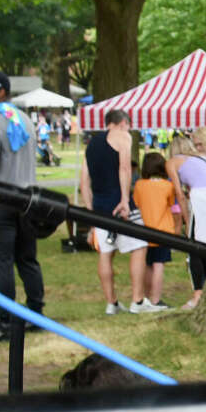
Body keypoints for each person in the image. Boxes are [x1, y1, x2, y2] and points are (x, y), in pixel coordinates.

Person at [0, 70, 45, 342]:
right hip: (27, 200)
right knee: (27, 259)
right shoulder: (23, 119)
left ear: (1, 91)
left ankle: (5, 322)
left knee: (0, 263)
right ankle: (36, 314)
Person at [80, 108, 148, 314]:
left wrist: (91, 212)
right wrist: (125, 200)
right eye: (128, 126)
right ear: (122, 123)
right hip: (120, 203)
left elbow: (84, 182)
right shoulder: (122, 136)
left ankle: (111, 303)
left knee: (106, 253)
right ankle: (137, 301)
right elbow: (125, 168)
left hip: (99, 206)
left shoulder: (91, 145)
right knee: (140, 246)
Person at [170, 128, 206, 309]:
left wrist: (186, 219)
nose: (198, 148)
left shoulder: (174, 162)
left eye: (200, 144)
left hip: (200, 203)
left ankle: (198, 293)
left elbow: (180, 195)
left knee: (194, 248)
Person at [131, 152, 177, 310]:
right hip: (163, 230)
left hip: (144, 230)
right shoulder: (168, 186)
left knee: (147, 265)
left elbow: (136, 203)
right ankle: (156, 299)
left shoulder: (139, 185)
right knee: (159, 265)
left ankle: (145, 296)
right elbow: (171, 203)